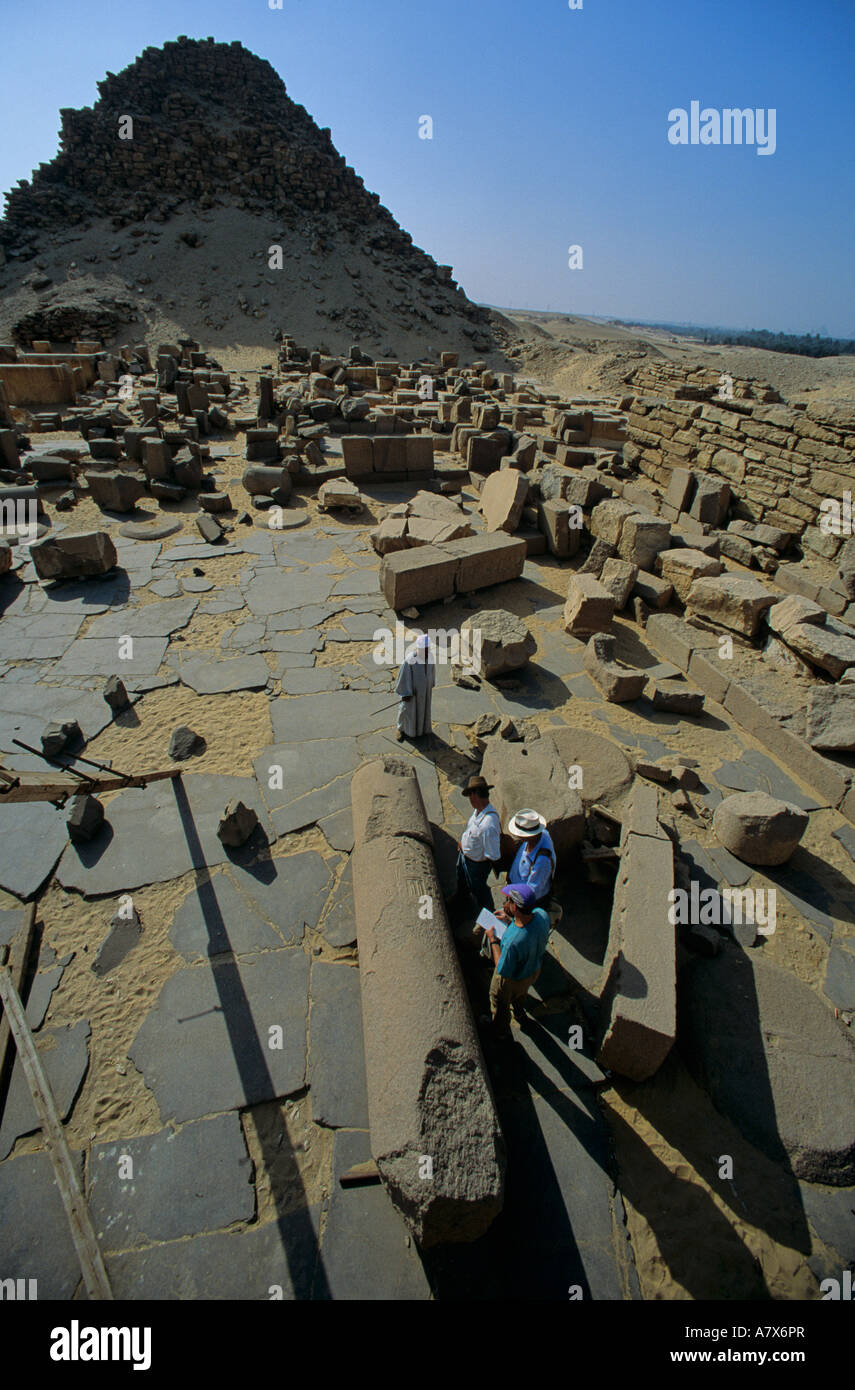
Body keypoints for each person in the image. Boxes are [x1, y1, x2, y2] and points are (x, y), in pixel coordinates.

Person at [484, 883, 551, 1039]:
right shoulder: (541, 914)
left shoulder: (513, 940)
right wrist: (509, 919)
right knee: (521, 995)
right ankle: (519, 1013)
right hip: (533, 970)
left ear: (515, 907)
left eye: (508, 900)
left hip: (511, 980)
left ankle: (501, 1030)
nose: (506, 903)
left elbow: (501, 967)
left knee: (499, 1002)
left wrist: (493, 940)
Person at [456, 774, 501, 916]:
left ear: (474, 795)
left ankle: (490, 918)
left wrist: (477, 858)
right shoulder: (478, 811)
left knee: (480, 890)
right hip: (465, 857)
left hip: (476, 865)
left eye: (470, 795)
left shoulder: (489, 824)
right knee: (462, 881)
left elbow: (493, 855)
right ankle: (462, 899)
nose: (469, 799)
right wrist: (463, 843)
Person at [505, 809, 556, 910]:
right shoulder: (542, 834)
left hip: (525, 902)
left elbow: (531, 892)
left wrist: (512, 904)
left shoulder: (542, 861)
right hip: (515, 891)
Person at [394, 633, 435, 743]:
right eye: (424, 650)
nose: (426, 652)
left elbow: (432, 671)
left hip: (425, 693)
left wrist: (431, 684)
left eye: (427, 649)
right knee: (407, 711)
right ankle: (400, 729)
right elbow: (403, 677)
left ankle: (421, 731)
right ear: (419, 648)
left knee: (423, 710)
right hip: (411, 694)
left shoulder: (430, 656)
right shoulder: (410, 660)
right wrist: (405, 693)